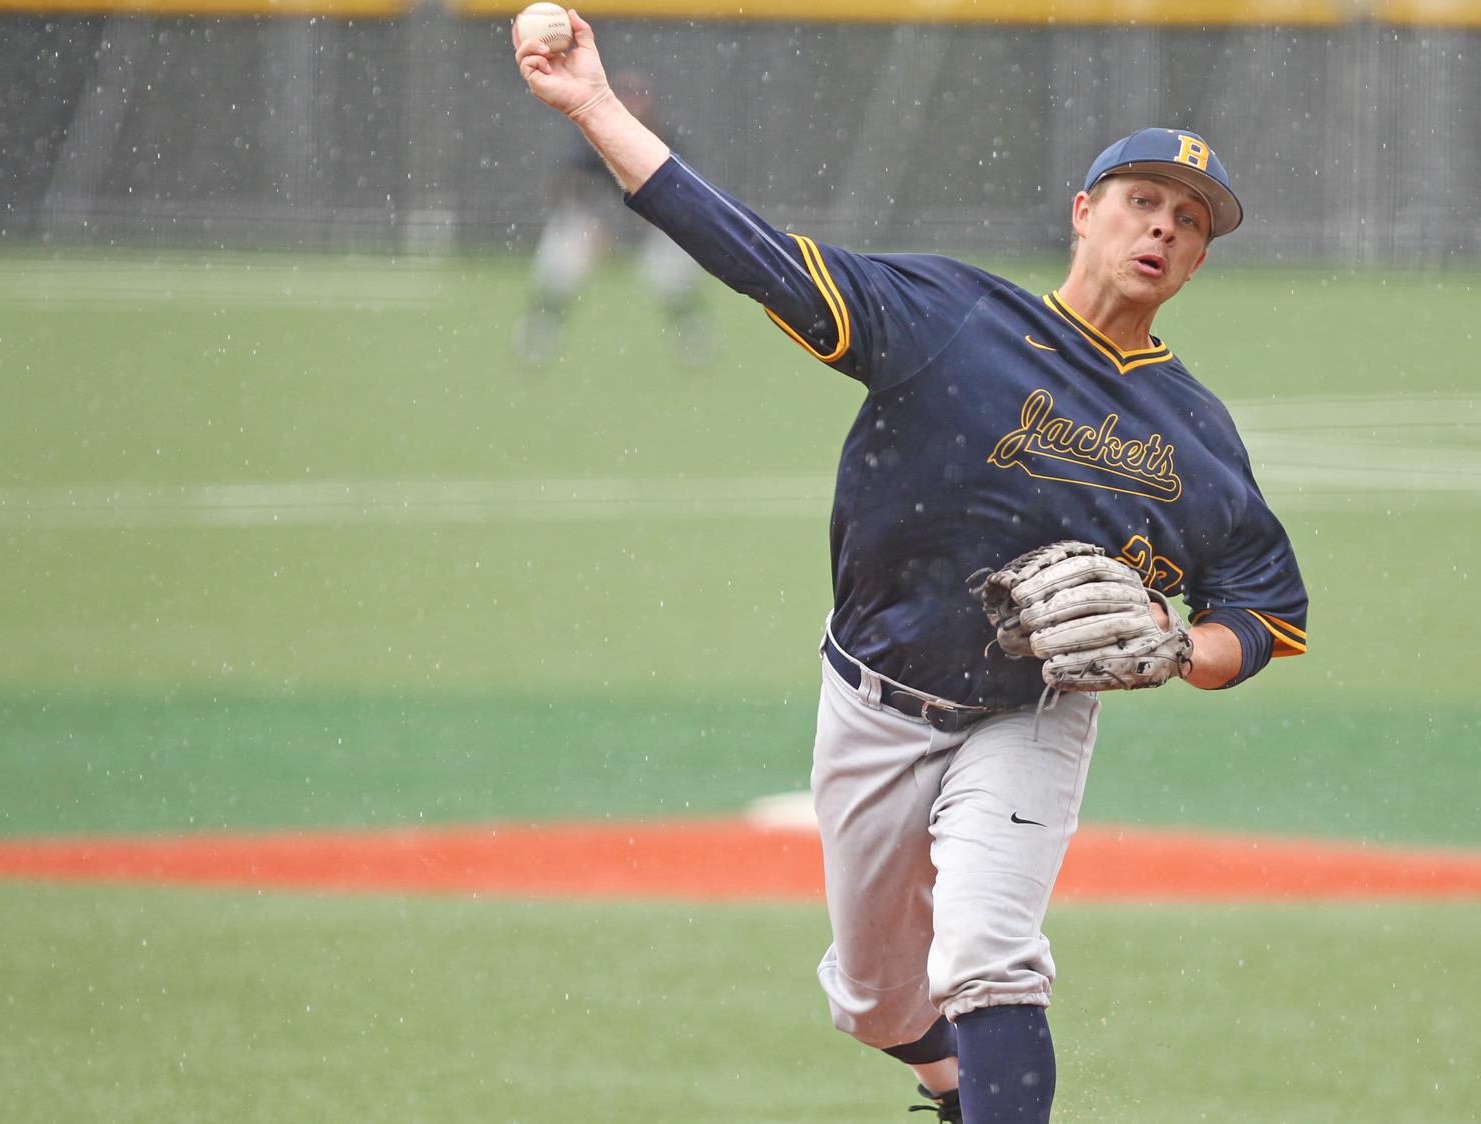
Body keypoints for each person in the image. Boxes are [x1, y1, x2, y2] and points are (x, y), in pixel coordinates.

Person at [514, 14, 1308, 1122]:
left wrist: (1187, 648)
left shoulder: (1191, 434)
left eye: (1187, 222)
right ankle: (951, 1091)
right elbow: (746, 251)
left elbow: (1265, 610)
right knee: (880, 1003)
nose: (1161, 230)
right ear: (1083, 212)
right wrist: (596, 107)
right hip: (872, 695)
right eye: (1141, 202)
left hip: (1029, 713)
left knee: (988, 950)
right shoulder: (944, 315)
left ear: (1198, 257)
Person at [512, 68, 711, 368]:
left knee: (671, 266)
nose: (632, 110)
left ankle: (692, 334)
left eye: (637, 103)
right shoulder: (594, 139)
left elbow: (685, 199)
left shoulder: (663, 141)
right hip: (598, 219)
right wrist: (598, 227)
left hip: (651, 222)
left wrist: (648, 225)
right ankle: (539, 333)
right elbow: (570, 188)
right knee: (562, 254)